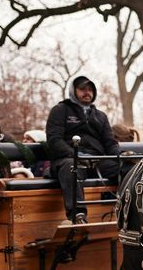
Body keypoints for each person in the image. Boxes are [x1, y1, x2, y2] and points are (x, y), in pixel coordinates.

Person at [46, 75, 121, 223]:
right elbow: (54, 141)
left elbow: (110, 144)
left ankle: (131, 210)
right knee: (72, 166)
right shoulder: (60, 110)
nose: (87, 92)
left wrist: (124, 156)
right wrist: (76, 155)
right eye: (82, 89)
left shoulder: (101, 116)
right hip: (69, 159)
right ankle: (78, 215)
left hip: (97, 161)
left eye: (90, 89)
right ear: (73, 91)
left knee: (127, 169)